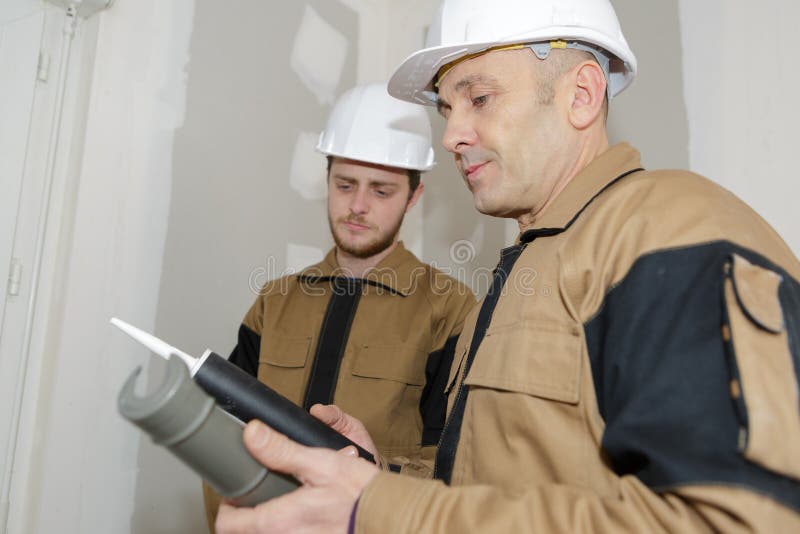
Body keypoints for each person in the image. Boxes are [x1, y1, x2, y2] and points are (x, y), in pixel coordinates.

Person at [215, 0, 800, 532]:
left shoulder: (669, 233)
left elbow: (736, 522)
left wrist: (377, 508)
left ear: (581, 95)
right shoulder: (525, 269)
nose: (451, 135)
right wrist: (376, 473)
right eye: (447, 108)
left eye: (479, 98)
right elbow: (488, 486)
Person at [202, 82, 475, 528]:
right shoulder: (275, 301)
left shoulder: (450, 310)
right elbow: (220, 431)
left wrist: (371, 480)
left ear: (413, 197)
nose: (358, 206)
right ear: (326, 180)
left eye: (381, 191)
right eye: (345, 185)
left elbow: (456, 464)